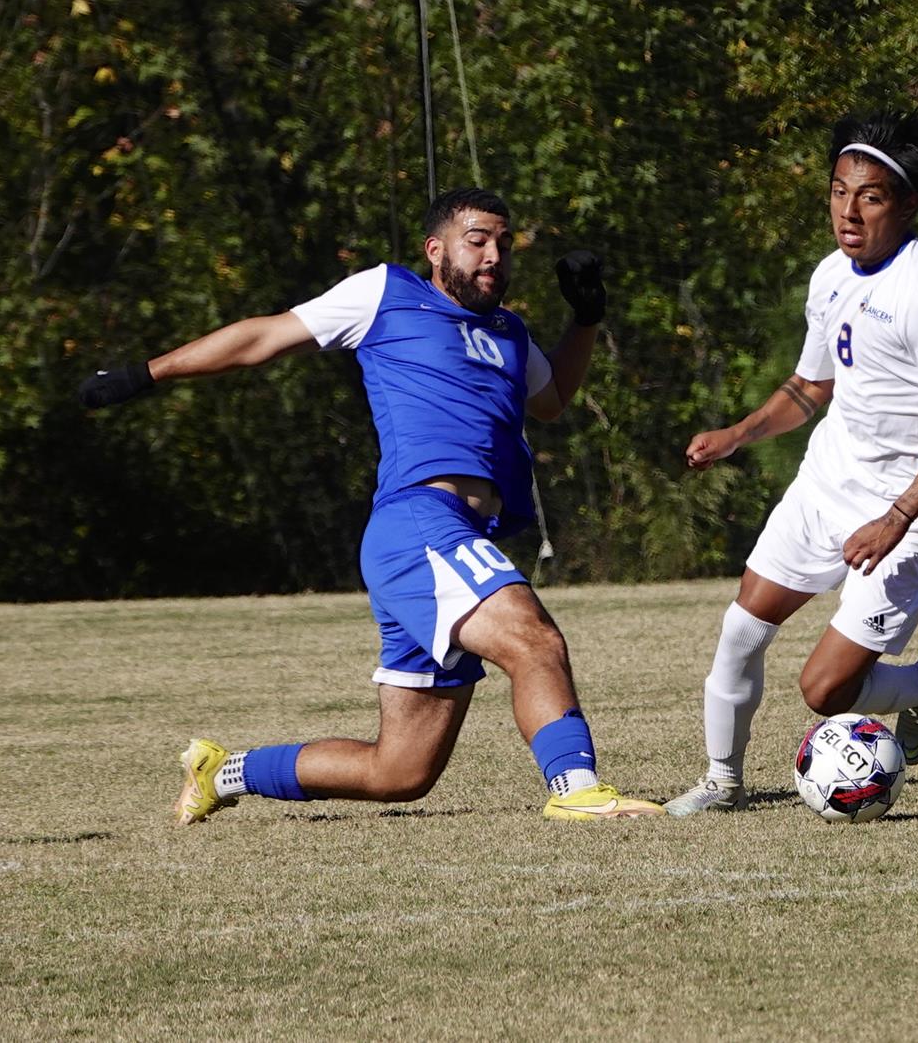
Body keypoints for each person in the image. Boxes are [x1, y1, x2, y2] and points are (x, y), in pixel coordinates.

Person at [78, 187, 664, 822]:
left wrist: (585, 319)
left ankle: (225, 772)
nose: (494, 254)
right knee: (535, 641)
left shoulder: (509, 332)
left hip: (460, 532)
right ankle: (575, 790)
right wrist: (148, 374)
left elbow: (550, 403)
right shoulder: (385, 293)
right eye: (477, 241)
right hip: (420, 524)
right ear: (435, 250)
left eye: (502, 242)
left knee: (400, 771)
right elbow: (262, 338)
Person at [665, 111, 918, 816]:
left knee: (825, 692)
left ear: (907, 205)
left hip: (909, 506)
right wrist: (740, 433)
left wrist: (896, 519)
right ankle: (722, 781)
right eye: (839, 190)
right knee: (742, 625)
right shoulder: (832, 275)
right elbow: (812, 387)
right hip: (829, 480)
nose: (848, 209)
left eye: (869, 196)